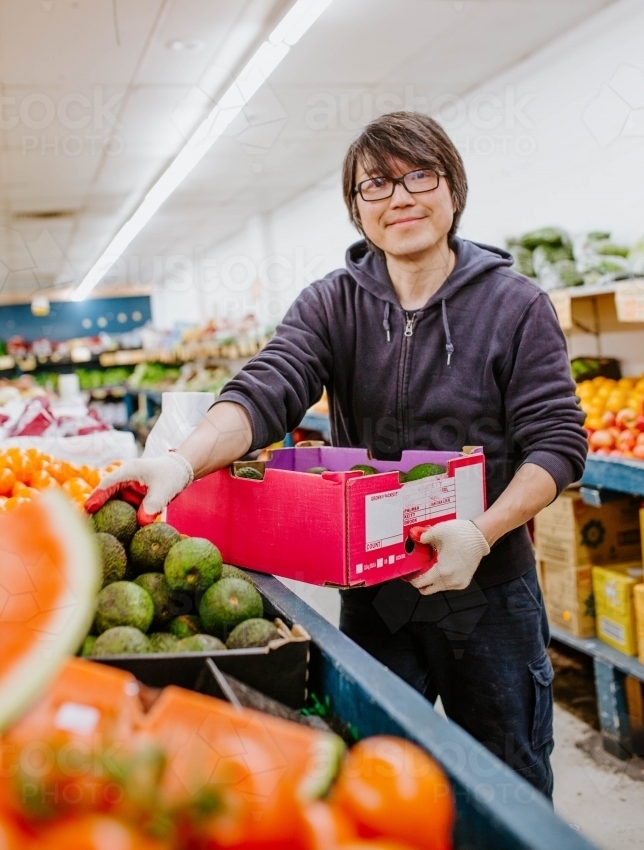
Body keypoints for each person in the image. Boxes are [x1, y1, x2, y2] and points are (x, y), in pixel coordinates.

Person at [95, 111, 587, 797]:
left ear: (452, 187)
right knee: (378, 780)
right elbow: (267, 389)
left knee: (508, 784)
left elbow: (557, 441)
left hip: (488, 587)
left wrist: (480, 533)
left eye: (419, 175)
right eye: (375, 185)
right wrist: (180, 461)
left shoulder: (515, 305)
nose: (399, 197)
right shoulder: (332, 305)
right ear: (357, 210)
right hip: (374, 590)